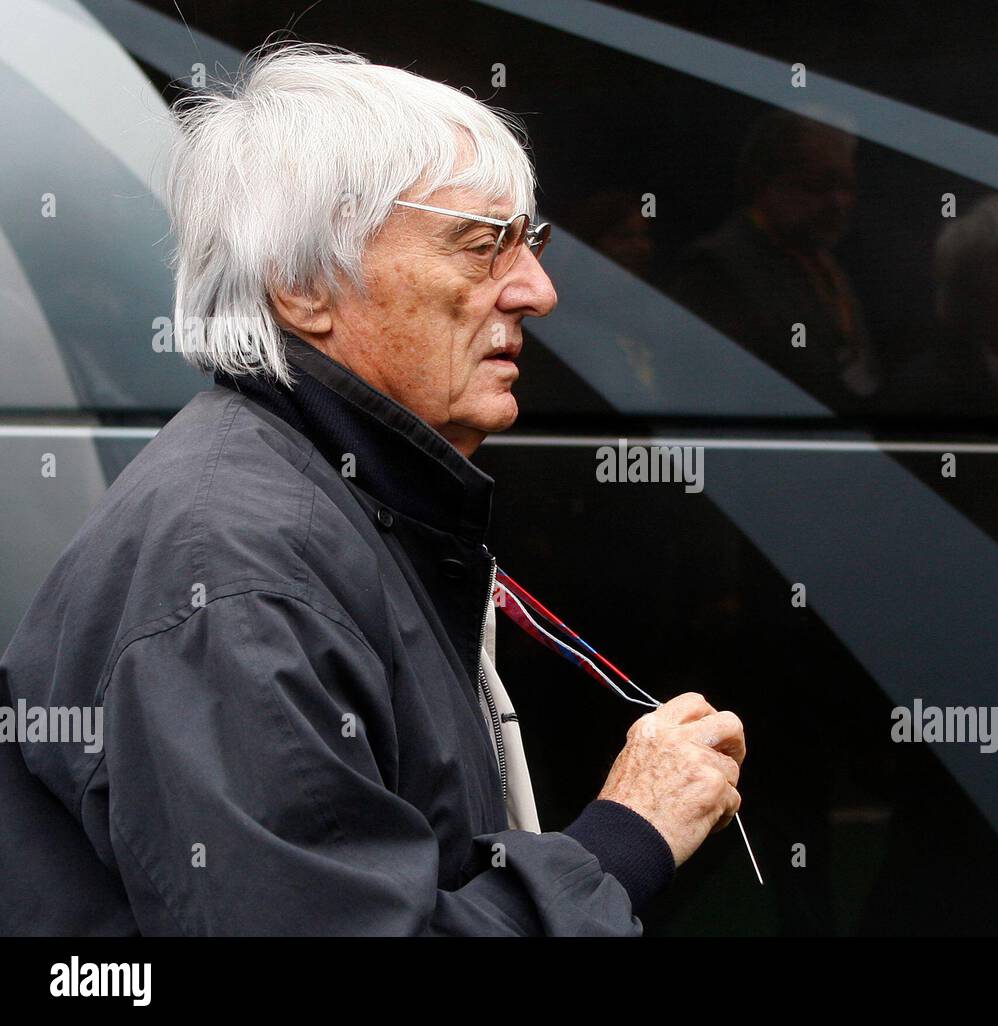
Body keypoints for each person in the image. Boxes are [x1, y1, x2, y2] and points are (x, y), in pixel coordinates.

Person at [0, 43, 745, 936]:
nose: (538, 291)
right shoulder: (239, 570)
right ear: (304, 286)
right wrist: (622, 843)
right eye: (479, 246)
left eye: (529, 243)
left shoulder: (317, 499)